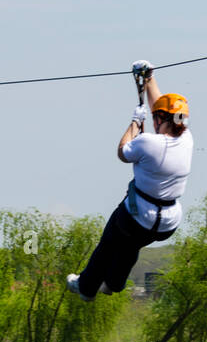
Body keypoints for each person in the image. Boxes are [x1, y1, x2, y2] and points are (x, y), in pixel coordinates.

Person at [67, 61, 192, 300]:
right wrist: (150, 79)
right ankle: (113, 283)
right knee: (129, 244)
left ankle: (85, 287)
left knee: (110, 240)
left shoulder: (148, 142)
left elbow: (123, 151)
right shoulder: (187, 139)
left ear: (160, 119)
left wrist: (135, 122)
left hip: (139, 217)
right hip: (167, 224)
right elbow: (161, 107)